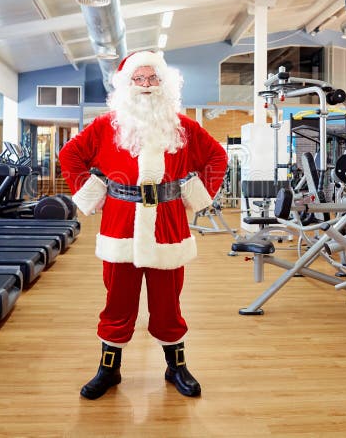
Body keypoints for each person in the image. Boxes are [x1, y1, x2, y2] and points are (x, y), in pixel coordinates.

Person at [59, 51, 228, 400]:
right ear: (127, 85)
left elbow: (217, 156)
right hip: (120, 221)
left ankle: (176, 366)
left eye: (153, 79)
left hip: (168, 223)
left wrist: (196, 193)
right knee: (117, 300)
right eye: (139, 79)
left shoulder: (183, 126)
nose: (147, 86)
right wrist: (95, 192)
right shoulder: (106, 126)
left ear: (164, 84)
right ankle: (109, 369)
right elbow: (70, 155)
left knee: (168, 302)